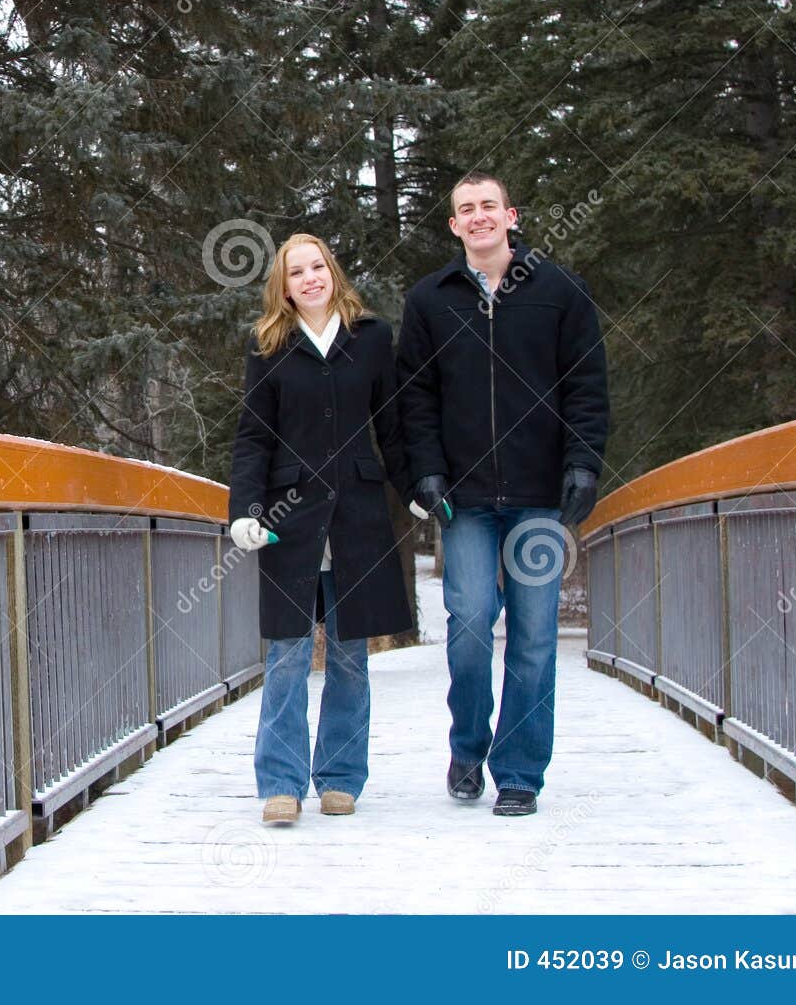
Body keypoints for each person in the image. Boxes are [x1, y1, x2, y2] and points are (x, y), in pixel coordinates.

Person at [397, 171, 609, 817]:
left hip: (539, 493)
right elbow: (416, 397)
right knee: (467, 628)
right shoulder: (430, 299)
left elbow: (587, 387)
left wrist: (583, 465)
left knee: (535, 637)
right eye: (467, 209)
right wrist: (426, 472)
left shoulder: (559, 290)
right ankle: (468, 745)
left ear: (511, 215)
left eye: (489, 205)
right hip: (465, 499)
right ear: (455, 225)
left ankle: (519, 773)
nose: (479, 216)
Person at [228, 232, 412, 826]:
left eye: (317, 267)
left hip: (357, 515)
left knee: (352, 654)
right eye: (296, 272)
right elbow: (254, 437)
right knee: (286, 655)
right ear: (282, 287)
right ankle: (281, 784)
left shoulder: (373, 338)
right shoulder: (269, 347)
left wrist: (418, 491)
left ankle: (339, 776)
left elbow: (394, 426)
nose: (309, 279)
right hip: (290, 519)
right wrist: (244, 510)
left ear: (333, 271)